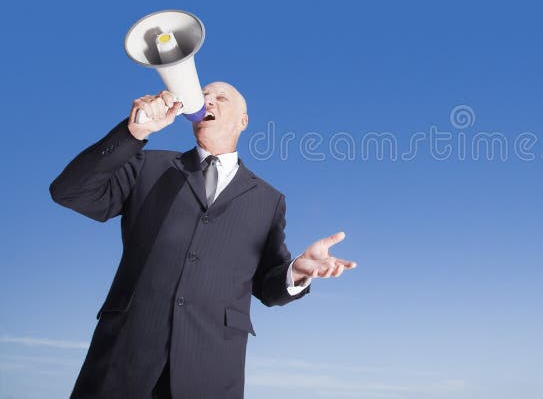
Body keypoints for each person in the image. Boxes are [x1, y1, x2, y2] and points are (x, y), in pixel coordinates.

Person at [50, 82, 357, 398]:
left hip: (210, 371)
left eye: (220, 98)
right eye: (202, 97)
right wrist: (134, 133)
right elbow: (69, 192)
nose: (208, 101)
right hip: (122, 363)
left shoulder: (268, 200)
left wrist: (298, 271)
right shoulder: (147, 166)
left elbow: (268, 286)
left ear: (244, 121)